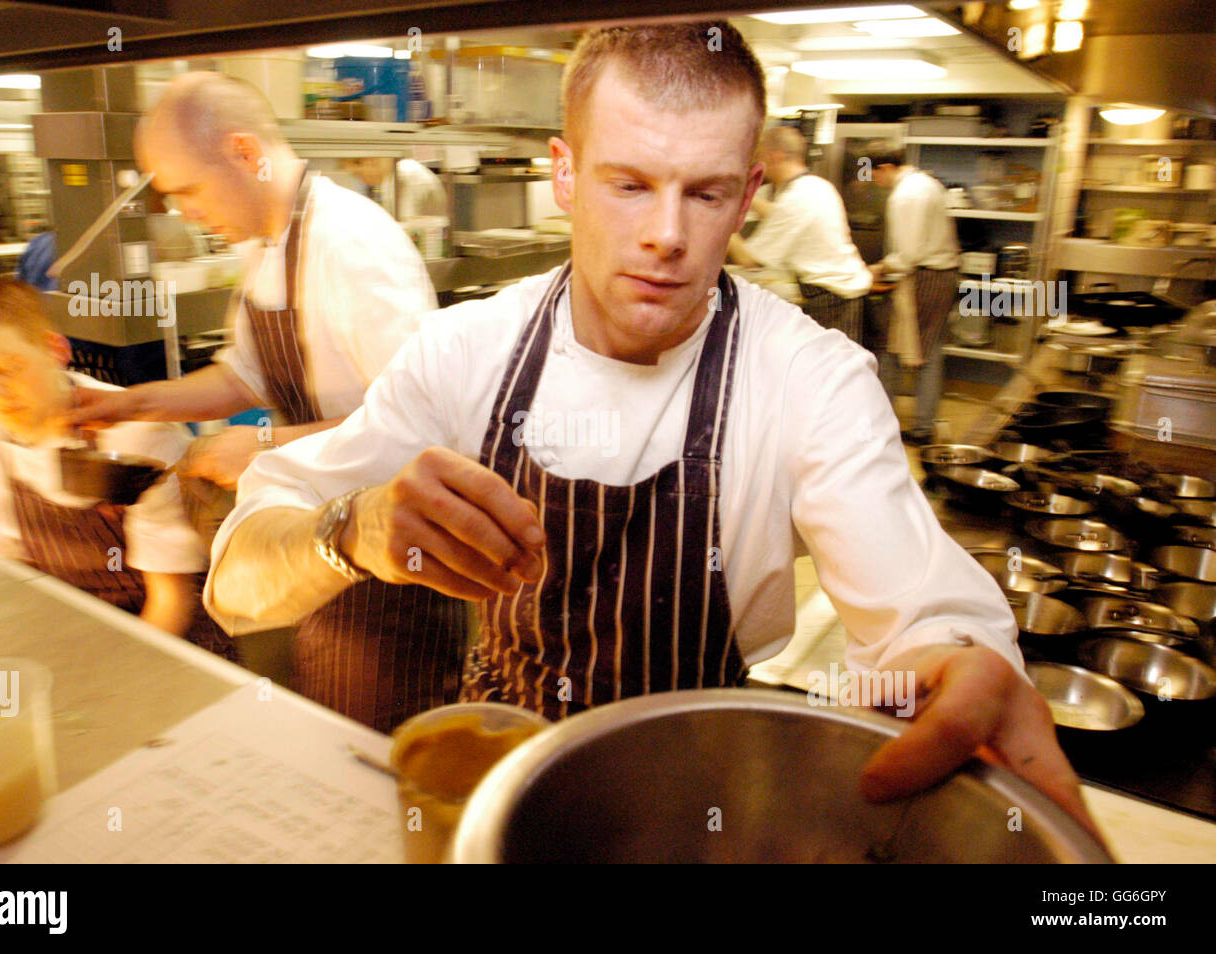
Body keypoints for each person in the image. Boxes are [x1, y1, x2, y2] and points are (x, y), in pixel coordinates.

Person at [205, 22, 1099, 837]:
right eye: (629, 185)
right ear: (564, 174)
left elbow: (920, 616)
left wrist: (956, 661)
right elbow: (237, 584)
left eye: (705, 194)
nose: (667, 236)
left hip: (708, 800)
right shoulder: (464, 352)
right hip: (499, 771)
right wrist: (347, 529)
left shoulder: (808, 380)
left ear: (749, 194)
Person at [64, 72, 467, 733]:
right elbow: (243, 378)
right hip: (318, 538)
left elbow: (427, 423)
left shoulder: (352, 244)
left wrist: (261, 444)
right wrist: (131, 405)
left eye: (187, 190)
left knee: (377, 745)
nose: (184, 213)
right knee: (326, 724)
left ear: (246, 153)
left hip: (394, 560)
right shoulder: (266, 245)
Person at [0, 277, 235, 660]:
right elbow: (16, 573)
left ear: (55, 349)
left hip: (171, 645)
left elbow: (172, 599)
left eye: (9, 369)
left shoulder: (135, 437)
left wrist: (111, 683)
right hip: (73, 636)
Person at [728, 125, 871, 345]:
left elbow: (748, 260)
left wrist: (721, 221)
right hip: (843, 295)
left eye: (760, 156)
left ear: (775, 156)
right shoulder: (816, 186)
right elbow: (780, 215)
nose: (757, 165)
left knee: (828, 375)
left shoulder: (797, 198)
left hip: (832, 300)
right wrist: (745, 199)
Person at [866, 141, 961, 445]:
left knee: (903, 350)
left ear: (885, 168)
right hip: (942, 275)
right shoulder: (925, 182)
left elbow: (908, 254)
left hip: (927, 278)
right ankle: (918, 423)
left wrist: (878, 268)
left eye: (873, 174)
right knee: (926, 349)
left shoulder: (905, 196)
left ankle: (908, 426)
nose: (874, 182)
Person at [341, 156, 448, 220]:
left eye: (358, 174)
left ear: (370, 161)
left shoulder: (405, 173)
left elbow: (406, 226)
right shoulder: (390, 180)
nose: (362, 181)